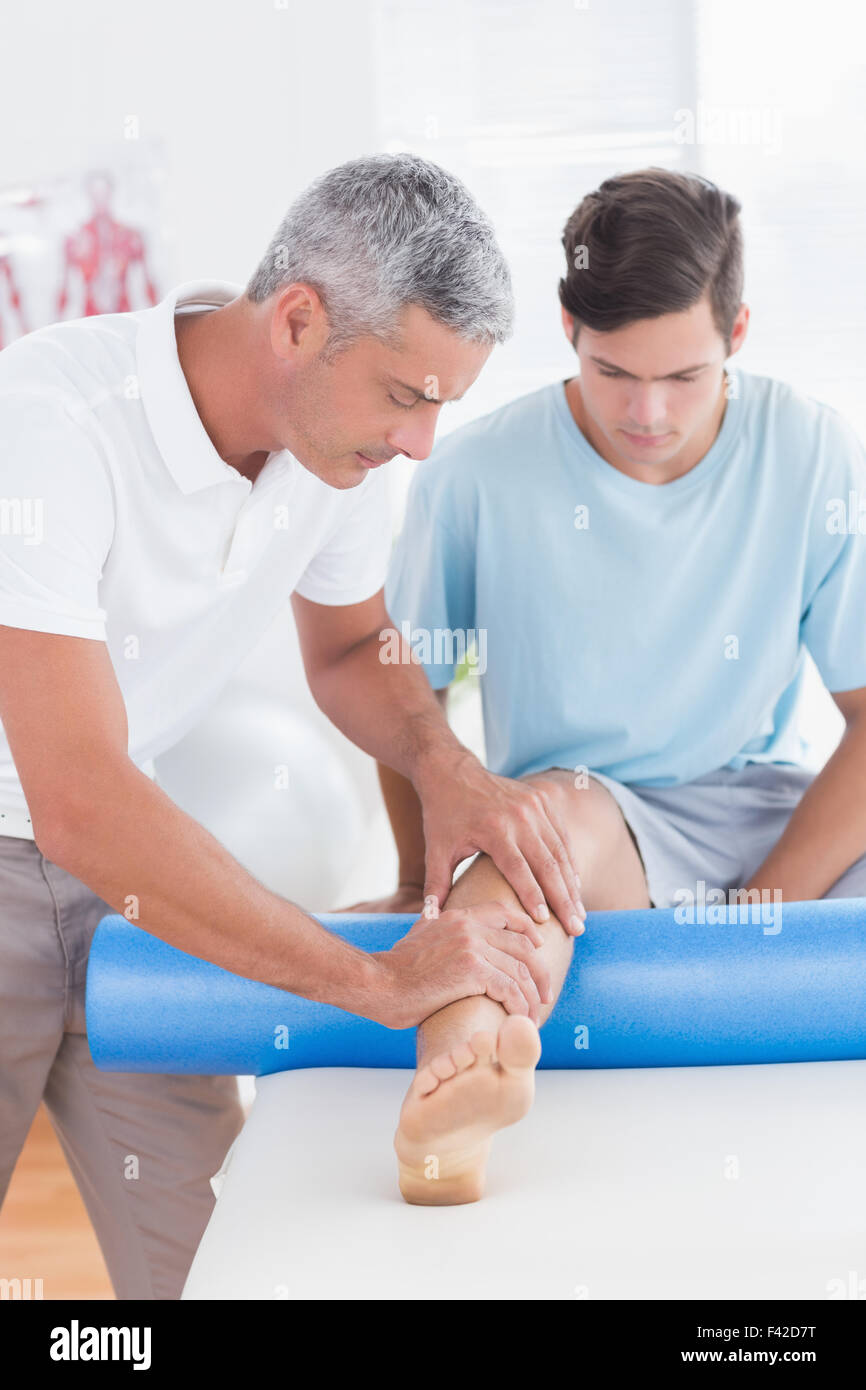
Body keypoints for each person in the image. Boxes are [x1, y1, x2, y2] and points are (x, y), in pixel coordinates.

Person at [0, 153, 586, 1298]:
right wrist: (370, 982)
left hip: (131, 875)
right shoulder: (49, 421)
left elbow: (350, 649)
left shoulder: (334, 454)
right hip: (61, 832)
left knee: (223, 1269)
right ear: (299, 320)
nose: (418, 445)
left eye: (441, 406)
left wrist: (443, 765)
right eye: (406, 396)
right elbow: (71, 792)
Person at [378, 167, 866, 1206]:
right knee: (537, 825)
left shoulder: (812, 449)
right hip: (585, 823)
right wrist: (418, 883)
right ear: (565, 328)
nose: (647, 412)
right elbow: (403, 715)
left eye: (682, 377)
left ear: (737, 330)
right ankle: (452, 1091)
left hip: (771, 811)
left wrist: (759, 910)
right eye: (612, 373)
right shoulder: (470, 476)